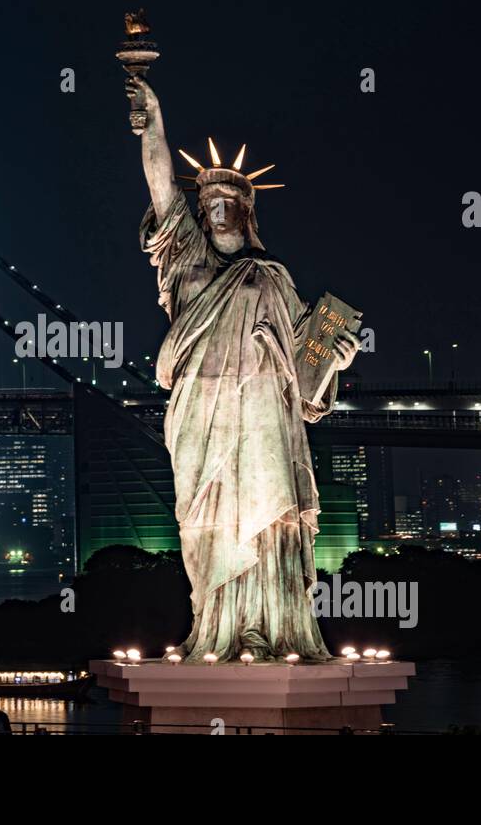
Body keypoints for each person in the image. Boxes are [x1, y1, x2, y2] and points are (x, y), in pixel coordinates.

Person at [124, 74, 360, 663]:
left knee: (267, 516)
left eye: (227, 201)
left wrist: (336, 361)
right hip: (201, 414)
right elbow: (160, 188)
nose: (217, 208)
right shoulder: (188, 260)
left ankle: (271, 629)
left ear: (246, 208)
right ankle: (217, 626)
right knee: (205, 523)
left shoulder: (273, 278)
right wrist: (153, 120)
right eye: (207, 203)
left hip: (263, 416)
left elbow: (306, 379)